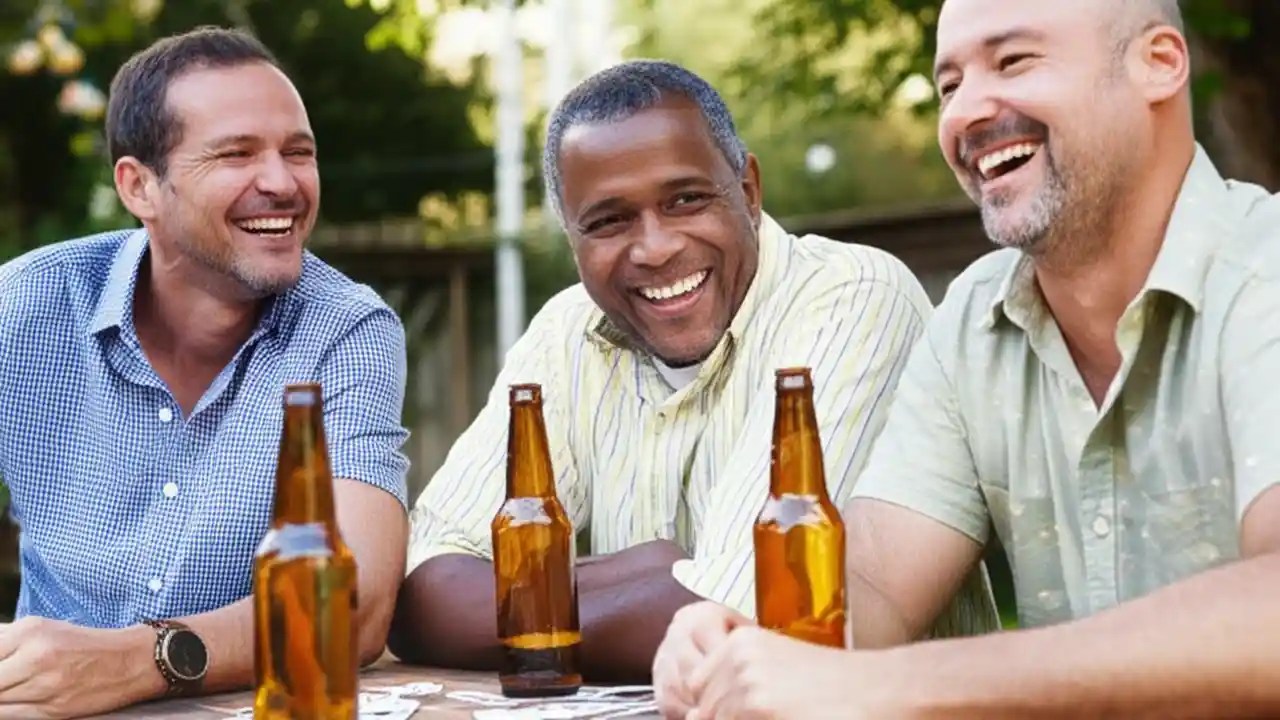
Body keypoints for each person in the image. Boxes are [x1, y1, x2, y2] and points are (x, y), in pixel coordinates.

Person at [654, 0, 1280, 716]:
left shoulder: (1266, 269)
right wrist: (748, 639)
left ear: (1159, 64)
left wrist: (889, 687)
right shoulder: (972, 319)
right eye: (949, 85)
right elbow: (876, 585)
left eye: (1014, 60)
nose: (967, 111)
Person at [390, 59, 999, 682]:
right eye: (608, 221)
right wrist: (640, 575)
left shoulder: (855, 298)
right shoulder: (565, 331)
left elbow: (739, 621)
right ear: (573, 238)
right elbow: (419, 590)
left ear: (750, 191)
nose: (655, 248)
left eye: (686, 200)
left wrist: (542, 592)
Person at [0, 27, 411, 717]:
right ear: (140, 188)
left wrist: (140, 660)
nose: (281, 183)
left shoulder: (348, 331)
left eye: (298, 154)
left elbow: (355, 607)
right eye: (236, 155)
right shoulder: (23, 308)